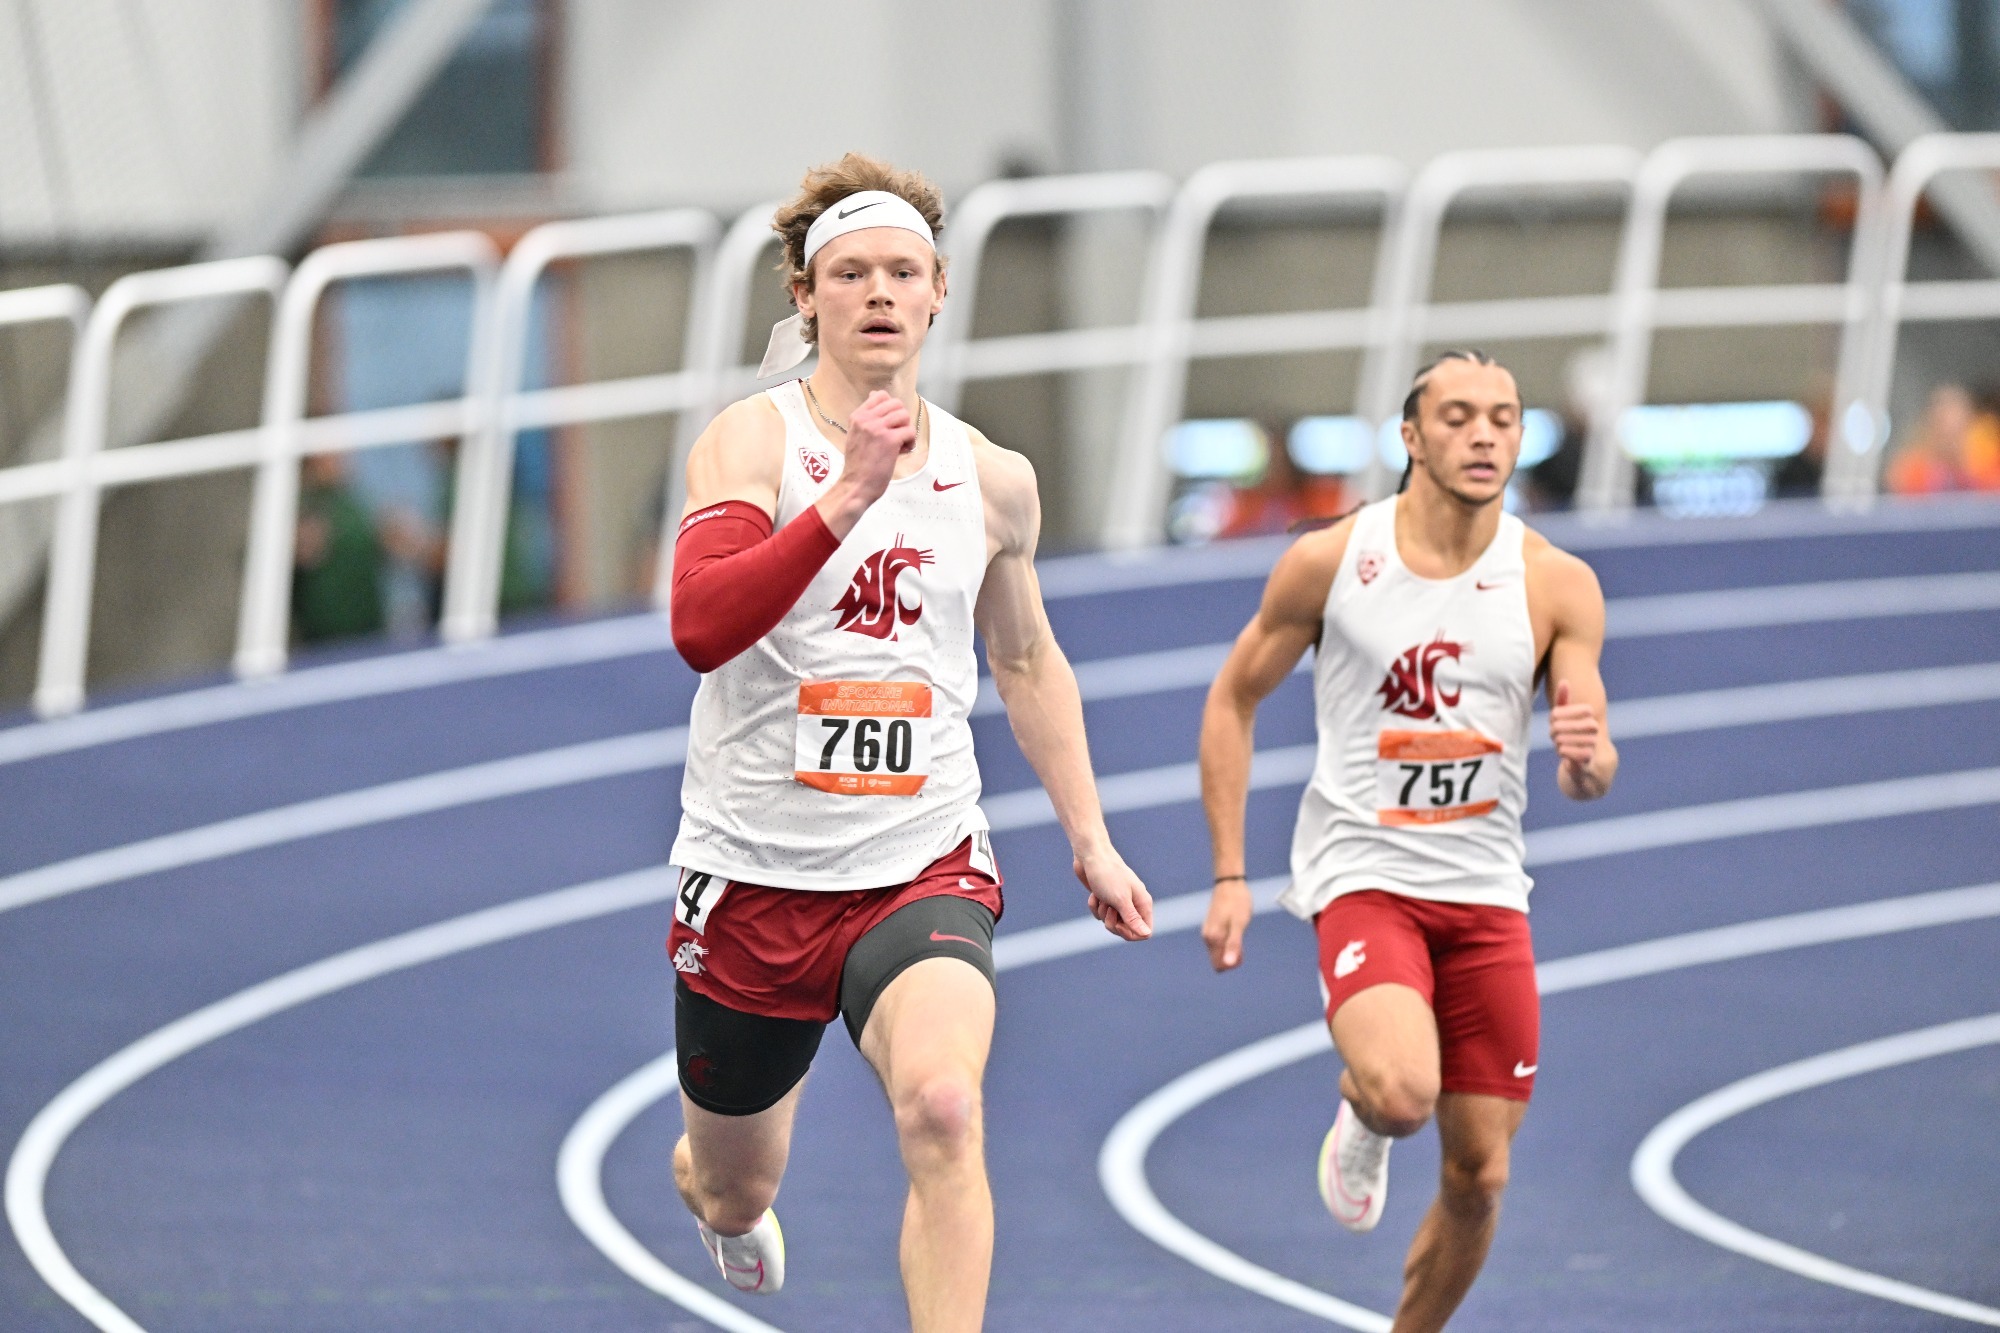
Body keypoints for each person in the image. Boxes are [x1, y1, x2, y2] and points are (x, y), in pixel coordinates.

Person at [663, 152, 1154, 1331]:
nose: (877, 292)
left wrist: (1089, 837)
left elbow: (1024, 659)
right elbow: (699, 626)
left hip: (918, 860)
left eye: (901, 271)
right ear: (804, 295)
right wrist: (845, 495)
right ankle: (717, 1197)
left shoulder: (992, 478)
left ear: (937, 292)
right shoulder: (751, 444)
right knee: (734, 1185)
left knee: (943, 1108)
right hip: (755, 873)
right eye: (848, 273)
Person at [1198, 350, 1618, 1332]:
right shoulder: (1332, 561)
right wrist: (1228, 873)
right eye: (1458, 416)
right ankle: (1362, 1107)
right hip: (1365, 876)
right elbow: (1231, 699)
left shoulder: (1556, 583)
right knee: (1400, 1093)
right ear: (1411, 436)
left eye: (1502, 419)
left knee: (1480, 1173)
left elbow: (1589, 766)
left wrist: (1587, 760)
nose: (1482, 436)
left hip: (1485, 891)